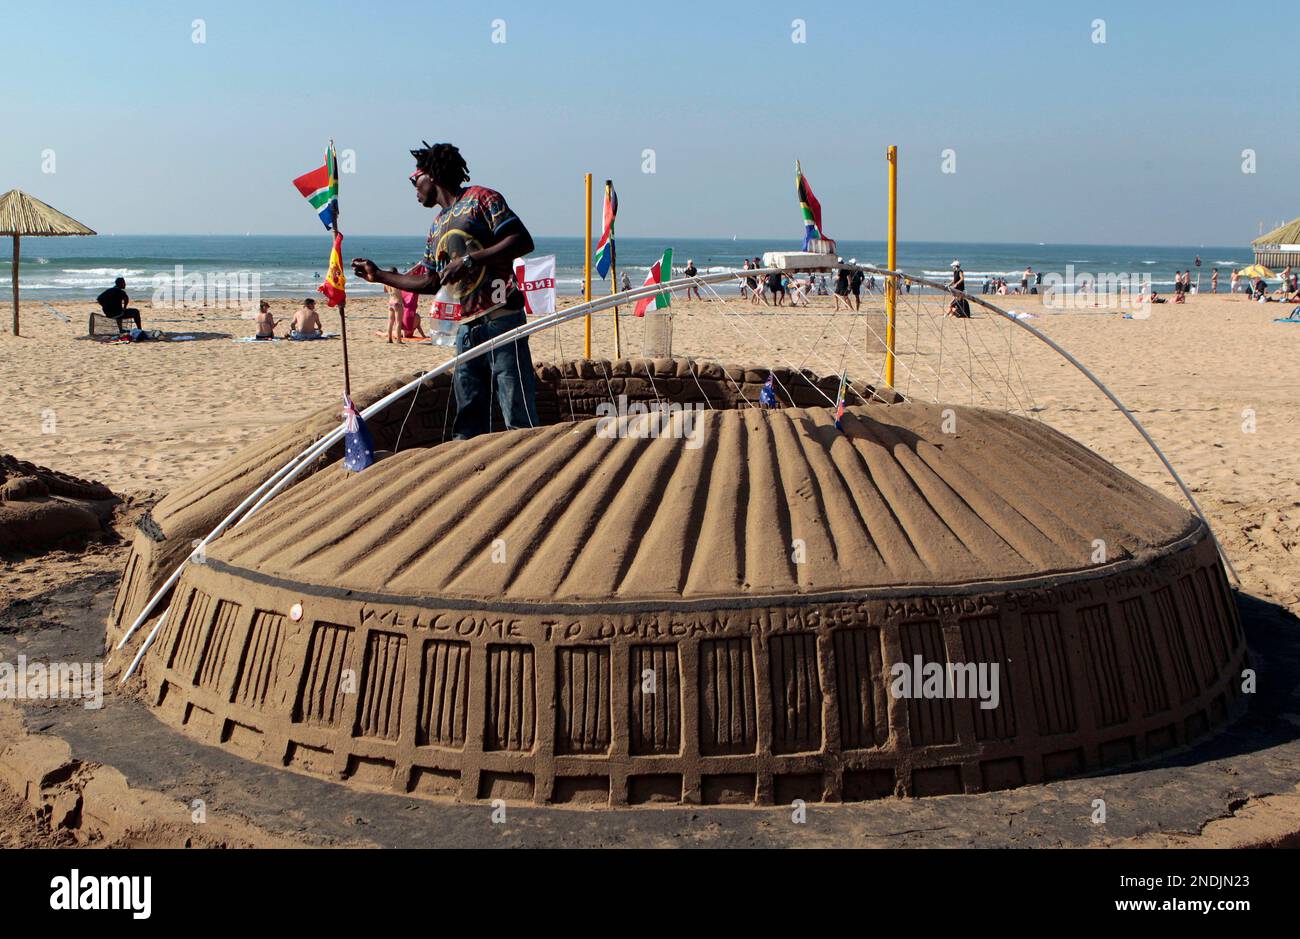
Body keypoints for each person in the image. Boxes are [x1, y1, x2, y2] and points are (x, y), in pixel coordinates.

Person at [352, 141, 538, 439]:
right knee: (468, 418)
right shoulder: (437, 225)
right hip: (465, 327)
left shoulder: (482, 198)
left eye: (414, 180)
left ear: (432, 175)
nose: (413, 188)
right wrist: (380, 276)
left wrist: (470, 260)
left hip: (501, 318)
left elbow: (522, 241)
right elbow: (430, 280)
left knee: (516, 409)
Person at [383, 270, 403, 343]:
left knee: (390, 322)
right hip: (398, 302)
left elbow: (385, 291)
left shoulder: (386, 282)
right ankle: (398, 340)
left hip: (390, 302)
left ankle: (389, 339)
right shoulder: (397, 281)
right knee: (398, 322)